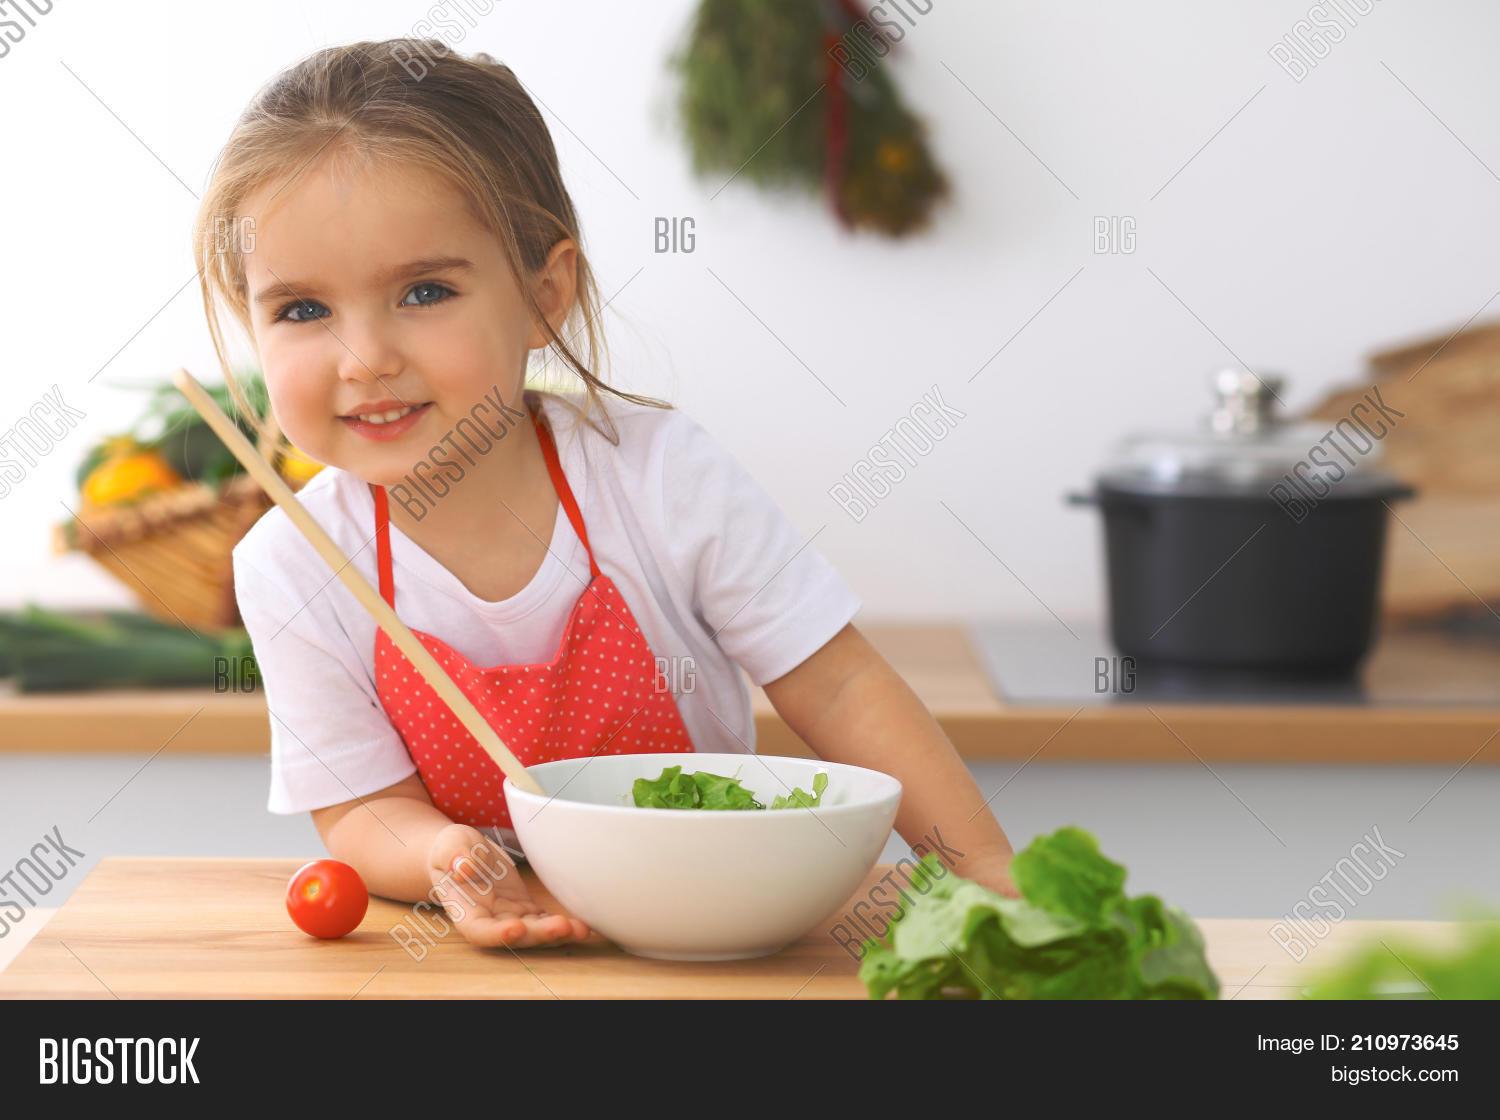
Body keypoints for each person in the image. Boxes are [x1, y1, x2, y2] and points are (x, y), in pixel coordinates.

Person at [206, 39, 1018, 951]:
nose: (364, 359)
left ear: (545, 294)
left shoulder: (661, 478)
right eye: (302, 310)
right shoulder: (290, 567)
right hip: (496, 968)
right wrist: (450, 857)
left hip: (716, 931)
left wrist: (983, 870)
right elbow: (362, 812)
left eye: (424, 290)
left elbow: (840, 686)